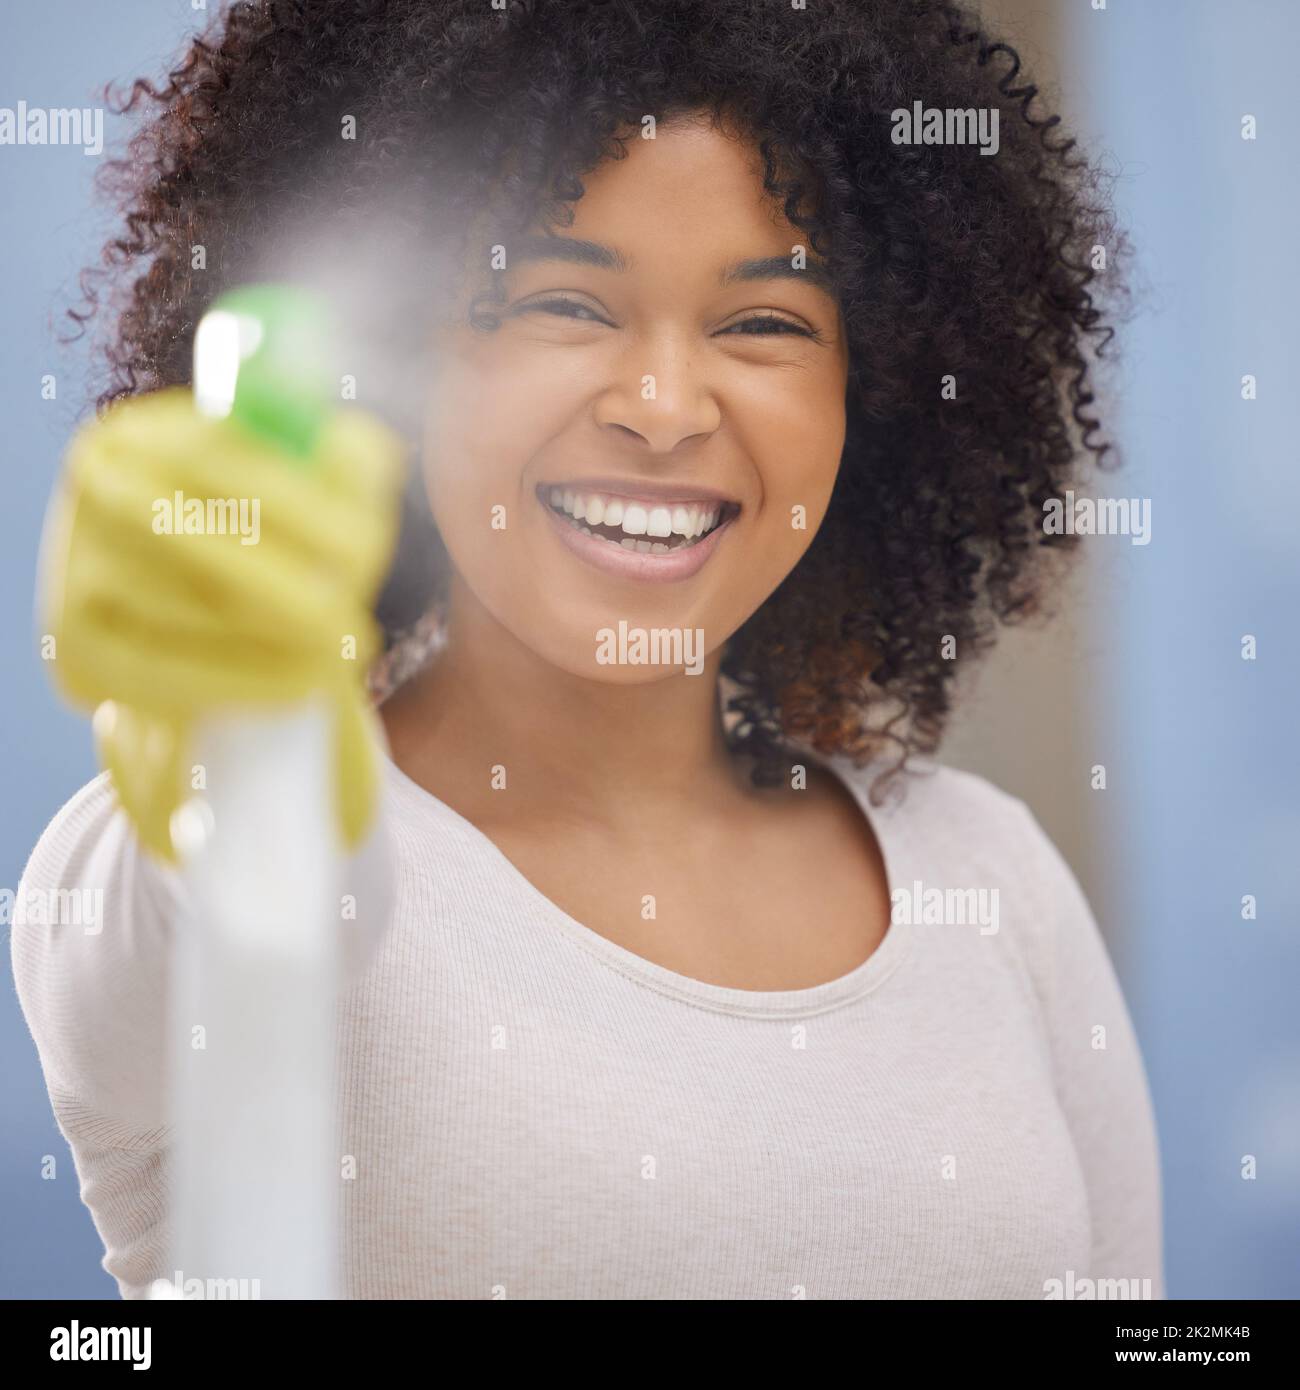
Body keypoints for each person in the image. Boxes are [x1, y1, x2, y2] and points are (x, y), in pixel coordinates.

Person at [13, 0, 1163, 1299]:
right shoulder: (206, 849)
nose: (664, 409)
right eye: (561, 301)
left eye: (765, 323)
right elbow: (231, 911)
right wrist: (233, 753)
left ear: (876, 387)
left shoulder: (992, 876)